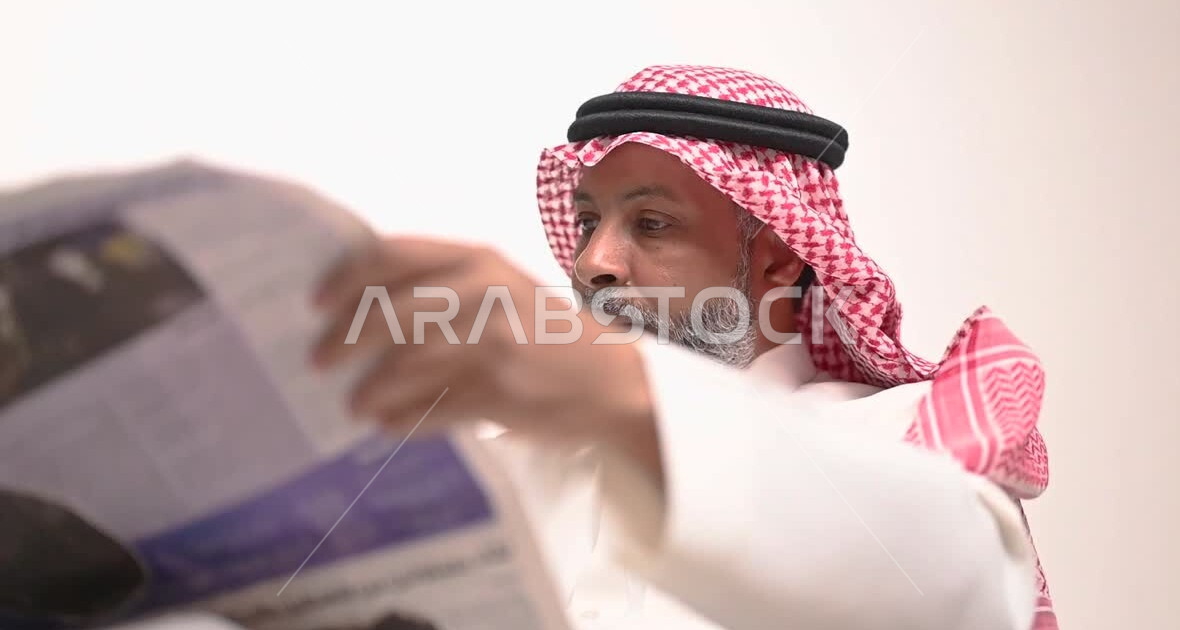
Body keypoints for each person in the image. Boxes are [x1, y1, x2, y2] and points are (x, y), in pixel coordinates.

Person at [310, 65, 1057, 629]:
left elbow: (965, 591)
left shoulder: (905, 436)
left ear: (777, 259)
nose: (592, 261)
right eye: (588, 219)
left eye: (652, 224)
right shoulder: (498, 471)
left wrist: (622, 393)